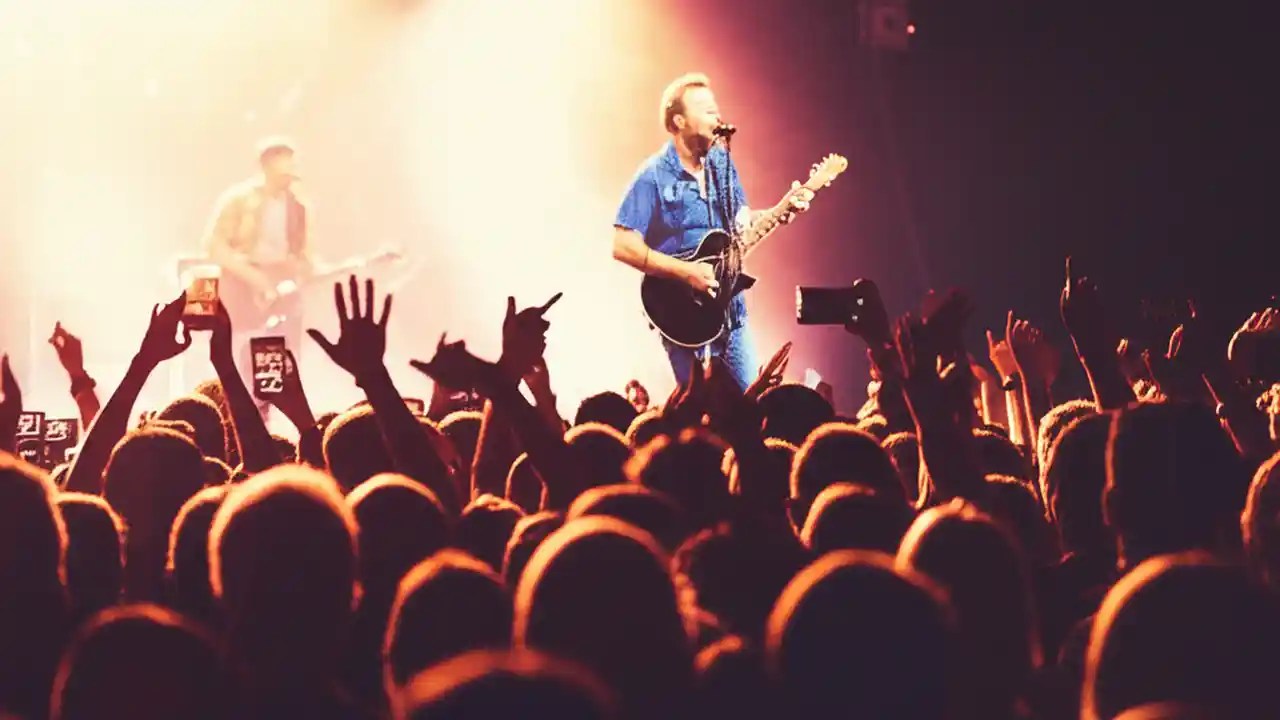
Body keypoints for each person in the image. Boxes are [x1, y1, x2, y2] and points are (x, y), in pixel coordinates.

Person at [612, 72, 812, 390]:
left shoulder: (722, 165)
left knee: (750, 403)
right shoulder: (653, 175)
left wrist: (781, 210)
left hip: (731, 312)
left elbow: (741, 229)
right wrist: (687, 272)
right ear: (679, 120)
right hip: (679, 313)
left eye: (716, 109)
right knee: (696, 407)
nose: (716, 116)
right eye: (706, 110)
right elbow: (623, 245)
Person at [201, 137, 314, 405]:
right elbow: (215, 246)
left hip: (280, 288)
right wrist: (255, 279)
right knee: (239, 350)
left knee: (279, 357)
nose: (288, 173)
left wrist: (298, 273)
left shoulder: (298, 206)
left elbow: (303, 257)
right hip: (240, 284)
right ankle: (231, 406)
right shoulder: (238, 201)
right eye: (281, 165)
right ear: (265, 166)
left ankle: (269, 409)